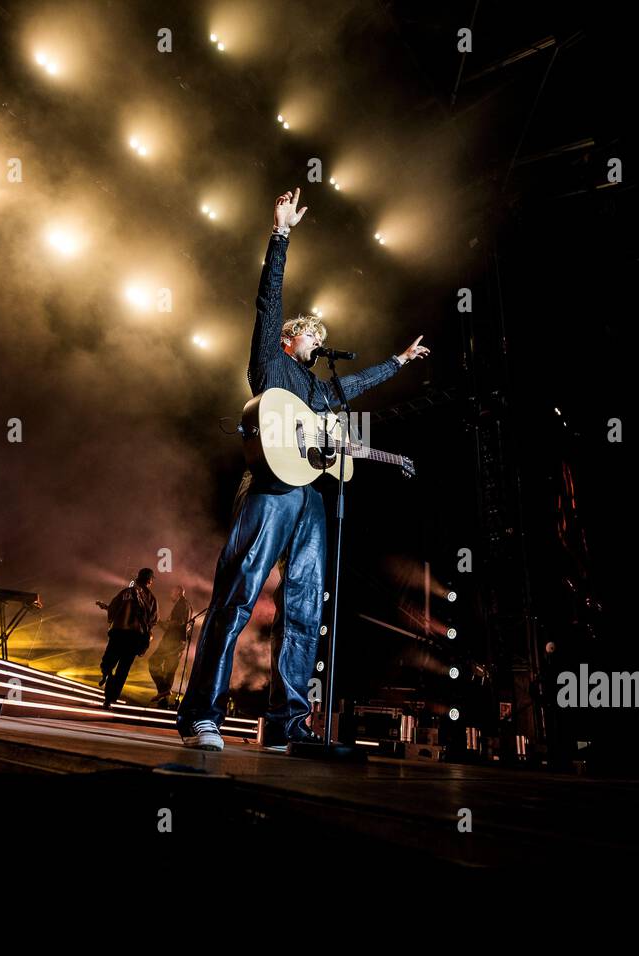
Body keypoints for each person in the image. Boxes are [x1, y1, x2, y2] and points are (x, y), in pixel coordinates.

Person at [176, 187, 430, 752]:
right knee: (239, 594)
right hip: (267, 486)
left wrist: (398, 361)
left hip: (310, 495)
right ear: (291, 337)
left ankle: (288, 723)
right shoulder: (270, 360)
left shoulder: (319, 387)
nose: (317, 339)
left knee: (304, 605)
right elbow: (268, 301)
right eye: (309, 333)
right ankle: (201, 715)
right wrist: (281, 234)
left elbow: (355, 386)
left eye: (321, 336)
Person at [100, 568, 159, 709]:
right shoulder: (151, 598)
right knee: (123, 669)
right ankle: (110, 699)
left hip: (118, 633)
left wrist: (109, 612)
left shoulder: (126, 591)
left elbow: (113, 608)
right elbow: (154, 619)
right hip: (135, 637)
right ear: (150, 580)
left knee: (109, 660)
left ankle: (106, 673)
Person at [147, 585, 191, 707]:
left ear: (178, 592)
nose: (170, 595)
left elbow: (178, 623)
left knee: (153, 662)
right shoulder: (186, 605)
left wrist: (159, 621)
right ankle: (163, 701)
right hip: (179, 642)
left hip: (172, 641)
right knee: (169, 670)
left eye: (172, 592)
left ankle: (163, 691)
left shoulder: (182, 604)